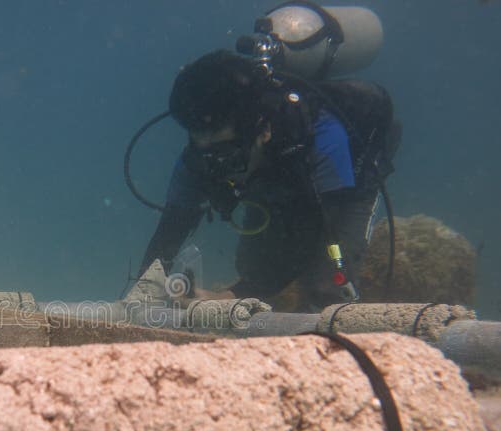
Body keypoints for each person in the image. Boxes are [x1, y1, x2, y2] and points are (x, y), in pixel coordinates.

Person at [138, 49, 399, 311]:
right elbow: (171, 228)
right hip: (269, 178)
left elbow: (312, 236)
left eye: (227, 155)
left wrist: (232, 295)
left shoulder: (324, 140)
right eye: (203, 151)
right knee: (251, 264)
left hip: (342, 189)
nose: (216, 167)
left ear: (263, 131)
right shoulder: (199, 158)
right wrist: (144, 289)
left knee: (326, 290)